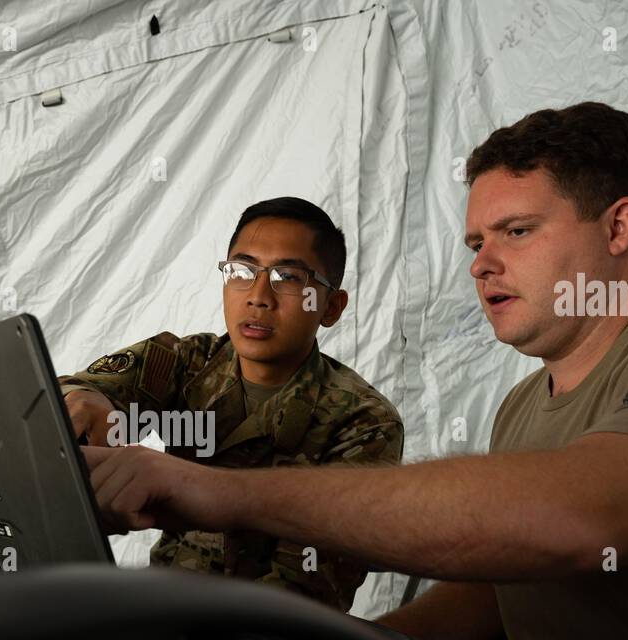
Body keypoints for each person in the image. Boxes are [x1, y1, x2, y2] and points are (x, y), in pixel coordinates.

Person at [83, 103, 628, 640]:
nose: (482, 265)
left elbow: (579, 523)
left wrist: (213, 490)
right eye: (474, 244)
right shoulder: (524, 407)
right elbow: (507, 589)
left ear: (619, 226)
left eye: (516, 232)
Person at [60, 197, 402, 612]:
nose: (259, 296)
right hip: (157, 613)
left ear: (331, 307)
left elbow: (305, 592)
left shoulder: (363, 420)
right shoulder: (188, 363)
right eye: (242, 271)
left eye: (289, 277)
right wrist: (83, 398)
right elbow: (71, 391)